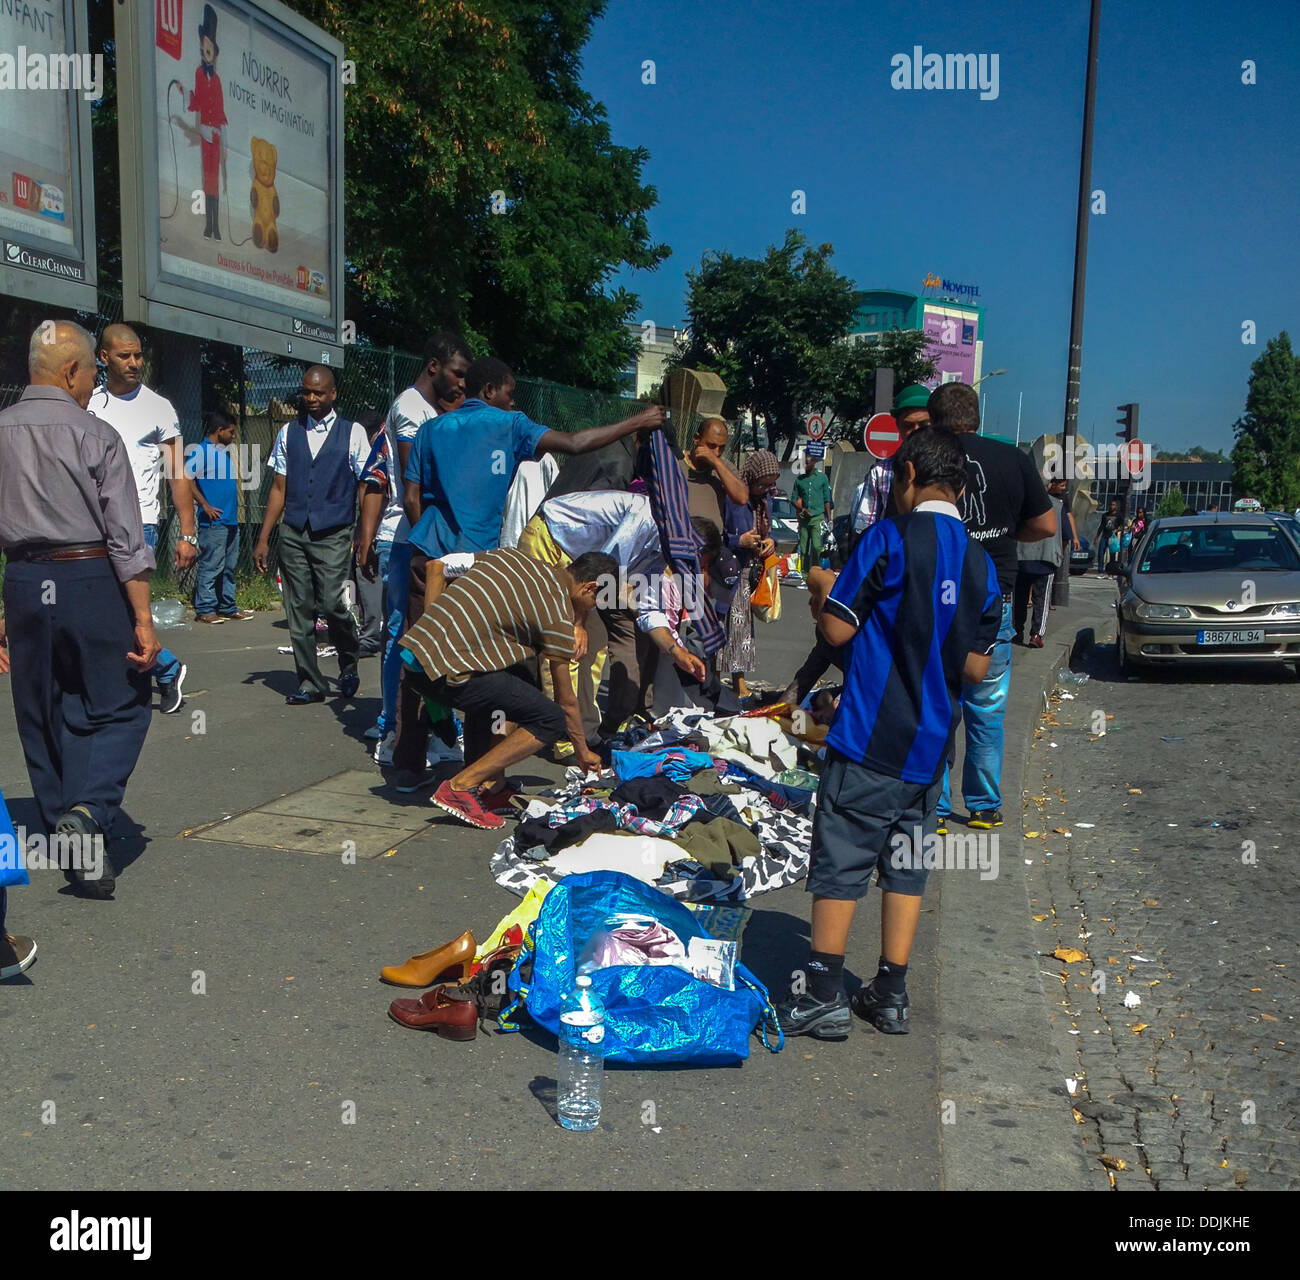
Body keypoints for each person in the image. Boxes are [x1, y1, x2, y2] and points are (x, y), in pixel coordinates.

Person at [773, 426, 1001, 1039]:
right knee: (907, 862)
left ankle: (823, 993)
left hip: (871, 737)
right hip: (932, 753)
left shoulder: (888, 540)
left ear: (906, 478)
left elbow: (839, 632)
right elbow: (978, 669)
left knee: (843, 858)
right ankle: (892, 991)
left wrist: (822, 589)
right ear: (958, 488)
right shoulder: (981, 565)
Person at [393, 356, 665, 791]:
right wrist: (635, 422)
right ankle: (481, 775)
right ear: (490, 392)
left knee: (424, 653)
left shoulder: (430, 429)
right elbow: (577, 443)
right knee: (493, 667)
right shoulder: (509, 423)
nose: (513, 399)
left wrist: (435, 538)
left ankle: (408, 766)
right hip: (478, 555)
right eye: (509, 391)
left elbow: (411, 497)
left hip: (430, 549)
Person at [0, 320, 162, 906]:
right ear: (71, 371)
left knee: (42, 708)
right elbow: (124, 536)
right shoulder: (97, 436)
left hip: (22, 580)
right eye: (93, 369)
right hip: (88, 578)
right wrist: (143, 618)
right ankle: (90, 809)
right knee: (121, 700)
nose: (96, 380)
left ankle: (69, 837)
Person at [397, 549, 617, 829]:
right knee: (549, 719)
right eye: (595, 601)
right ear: (590, 587)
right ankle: (460, 787)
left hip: (416, 658)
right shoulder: (558, 616)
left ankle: (492, 785)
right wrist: (582, 751)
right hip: (444, 674)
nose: (590, 609)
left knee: (520, 678)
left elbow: (436, 565)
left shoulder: (512, 556)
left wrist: (434, 635)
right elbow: (566, 701)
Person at [931, 382, 1055, 832]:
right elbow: (1045, 524)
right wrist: (1003, 536)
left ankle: (936, 807)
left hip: (937, 599)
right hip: (994, 595)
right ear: (977, 417)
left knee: (939, 702)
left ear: (935, 420)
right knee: (987, 707)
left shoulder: (929, 458)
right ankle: (983, 806)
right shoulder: (1014, 460)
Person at [355, 333, 471, 761]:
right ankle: (393, 728)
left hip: (425, 540)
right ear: (433, 367)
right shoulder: (409, 408)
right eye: (457, 374)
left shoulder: (431, 410)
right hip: (409, 540)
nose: (461, 384)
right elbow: (412, 487)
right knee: (403, 633)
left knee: (424, 632)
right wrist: (434, 545)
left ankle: (430, 725)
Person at [87, 323, 197, 714]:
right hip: (92, 525)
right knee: (107, 610)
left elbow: (177, 472)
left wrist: (188, 533)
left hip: (141, 524)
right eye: (124, 355)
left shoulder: (159, 408)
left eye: (138, 356)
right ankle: (165, 667)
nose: (134, 363)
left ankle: (155, 672)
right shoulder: (88, 404)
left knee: (126, 610)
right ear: (103, 358)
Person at [253, 365, 370, 704]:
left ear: (333, 393)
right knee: (298, 608)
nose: (312, 398)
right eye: (307, 392)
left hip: (335, 531)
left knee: (333, 603)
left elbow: (366, 486)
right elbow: (278, 488)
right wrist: (264, 538)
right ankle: (310, 682)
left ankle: (348, 662)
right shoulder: (289, 432)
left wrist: (364, 533)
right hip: (293, 532)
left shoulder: (354, 433)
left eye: (319, 392)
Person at [517, 488, 662, 740]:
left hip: (580, 560)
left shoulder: (666, 543)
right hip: (549, 540)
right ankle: (563, 737)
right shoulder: (646, 518)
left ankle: (586, 731)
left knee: (595, 644)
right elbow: (602, 572)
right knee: (565, 643)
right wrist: (577, 622)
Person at [638, 517, 730, 716]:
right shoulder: (662, 574)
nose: (698, 571)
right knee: (638, 659)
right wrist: (679, 653)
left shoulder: (678, 570)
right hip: (620, 592)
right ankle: (632, 712)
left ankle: (645, 707)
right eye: (699, 566)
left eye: (703, 568)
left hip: (642, 604)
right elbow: (658, 621)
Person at [720, 450, 779, 698]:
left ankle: (739, 681)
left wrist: (769, 542)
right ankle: (714, 679)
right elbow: (717, 533)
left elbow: (767, 529)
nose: (766, 488)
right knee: (719, 625)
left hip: (749, 569)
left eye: (771, 483)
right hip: (725, 567)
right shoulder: (733, 496)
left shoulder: (766, 499)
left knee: (741, 628)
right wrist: (738, 539)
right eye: (763, 483)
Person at [849, 384, 933, 540]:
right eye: (908, 425)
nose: (916, 430)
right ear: (898, 427)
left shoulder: (948, 468)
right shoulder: (880, 473)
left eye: (923, 425)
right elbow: (864, 528)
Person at [190, 408, 251, 623]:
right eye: (231, 432)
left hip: (230, 519)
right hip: (214, 521)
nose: (233, 436)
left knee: (229, 565)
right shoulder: (202, 451)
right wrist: (205, 505)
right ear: (219, 430)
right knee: (212, 564)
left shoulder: (221, 452)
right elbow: (186, 479)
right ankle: (206, 608)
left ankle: (227, 605)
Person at [350, 409, 387, 658]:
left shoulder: (381, 444)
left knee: (367, 572)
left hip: (380, 519)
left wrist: (364, 535)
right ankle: (373, 630)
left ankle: (370, 634)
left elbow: (368, 484)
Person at [189, 4, 226, 241]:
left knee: (215, 179)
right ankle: (208, 225)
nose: (206, 51)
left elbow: (222, 112)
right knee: (208, 179)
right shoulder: (199, 74)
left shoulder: (218, 80)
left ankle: (216, 225)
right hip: (205, 134)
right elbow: (197, 102)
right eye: (203, 48)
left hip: (216, 135)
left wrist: (225, 144)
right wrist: (185, 93)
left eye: (209, 47)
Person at [1014, 488, 1064, 648]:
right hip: (1046, 558)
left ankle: (1017, 631)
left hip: (1022, 556)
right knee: (1041, 599)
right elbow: (1065, 535)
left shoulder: (1021, 501)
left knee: (1019, 599)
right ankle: (1036, 635)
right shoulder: (1057, 505)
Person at [682, 417, 748, 534]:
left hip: (714, 545)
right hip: (683, 541)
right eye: (711, 446)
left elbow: (742, 498)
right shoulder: (677, 463)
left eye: (721, 447)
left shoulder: (724, 467)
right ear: (697, 439)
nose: (717, 452)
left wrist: (716, 463)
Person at [793, 450, 833, 575]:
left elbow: (827, 499)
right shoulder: (799, 480)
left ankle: (816, 573)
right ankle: (805, 575)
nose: (804, 464)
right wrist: (802, 509)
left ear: (814, 463)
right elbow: (793, 499)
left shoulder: (822, 478)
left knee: (816, 547)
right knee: (804, 549)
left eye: (807, 462)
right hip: (804, 518)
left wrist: (829, 518)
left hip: (818, 517)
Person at [1095, 498, 1120, 573]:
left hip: (1112, 537)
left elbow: (1121, 525)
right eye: (1111, 505)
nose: (1111, 506)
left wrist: (1117, 530)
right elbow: (1101, 526)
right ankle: (1100, 571)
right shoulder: (1105, 515)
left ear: (1116, 506)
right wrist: (1097, 537)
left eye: (1113, 505)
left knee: (1112, 554)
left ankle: (1111, 572)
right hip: (1104, 536)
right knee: (1101, 553)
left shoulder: (1118, 516)